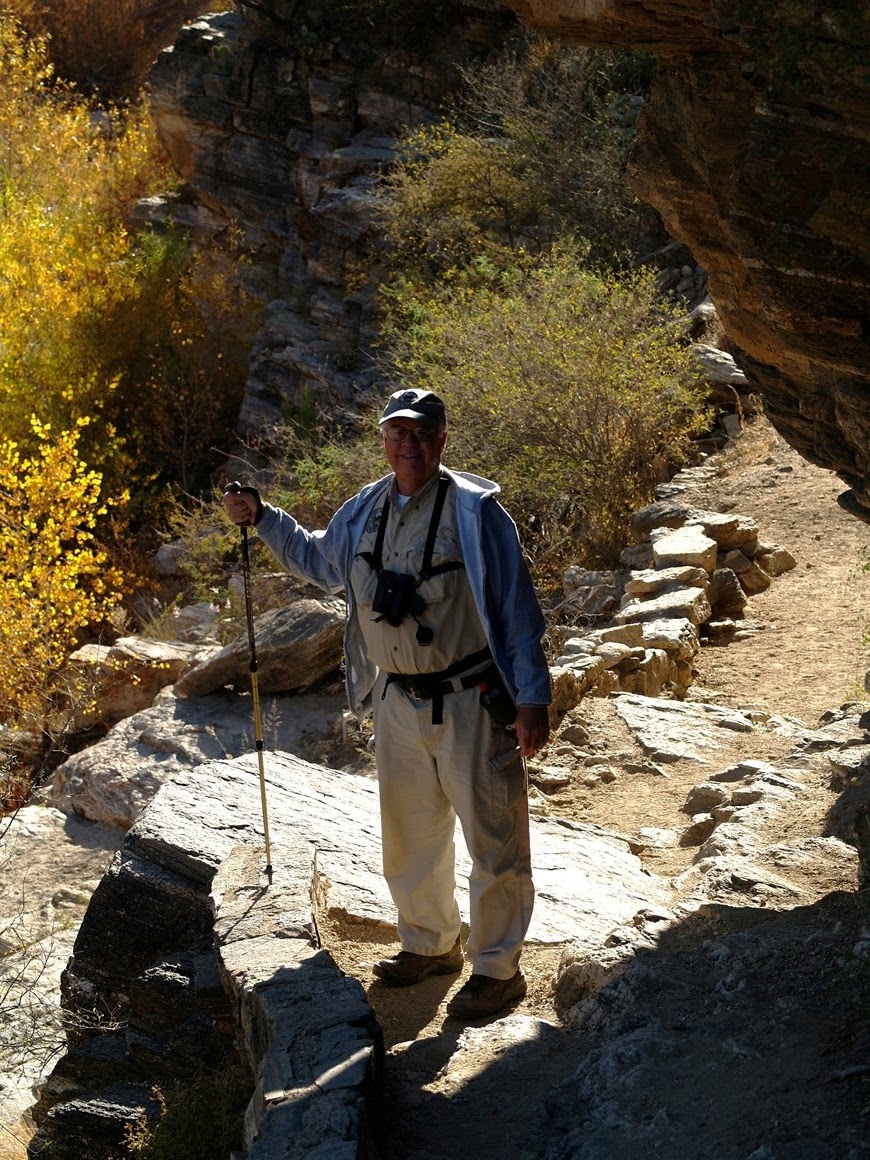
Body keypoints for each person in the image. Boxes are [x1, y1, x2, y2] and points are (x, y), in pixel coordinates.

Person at [224, 388, 551, 1019]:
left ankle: (497, 969)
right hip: (397, 698)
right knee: (410, 836)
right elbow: (319, 561)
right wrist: (263, 517)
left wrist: (532, 698)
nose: (409, 444)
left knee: (495, 839)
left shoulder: (477, 512)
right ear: (384, 441)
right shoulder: (365, 509)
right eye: (398, 433)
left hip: (473, 697)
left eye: (421, 433)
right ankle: (430, 943)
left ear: (442, 441)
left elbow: (516, 608)